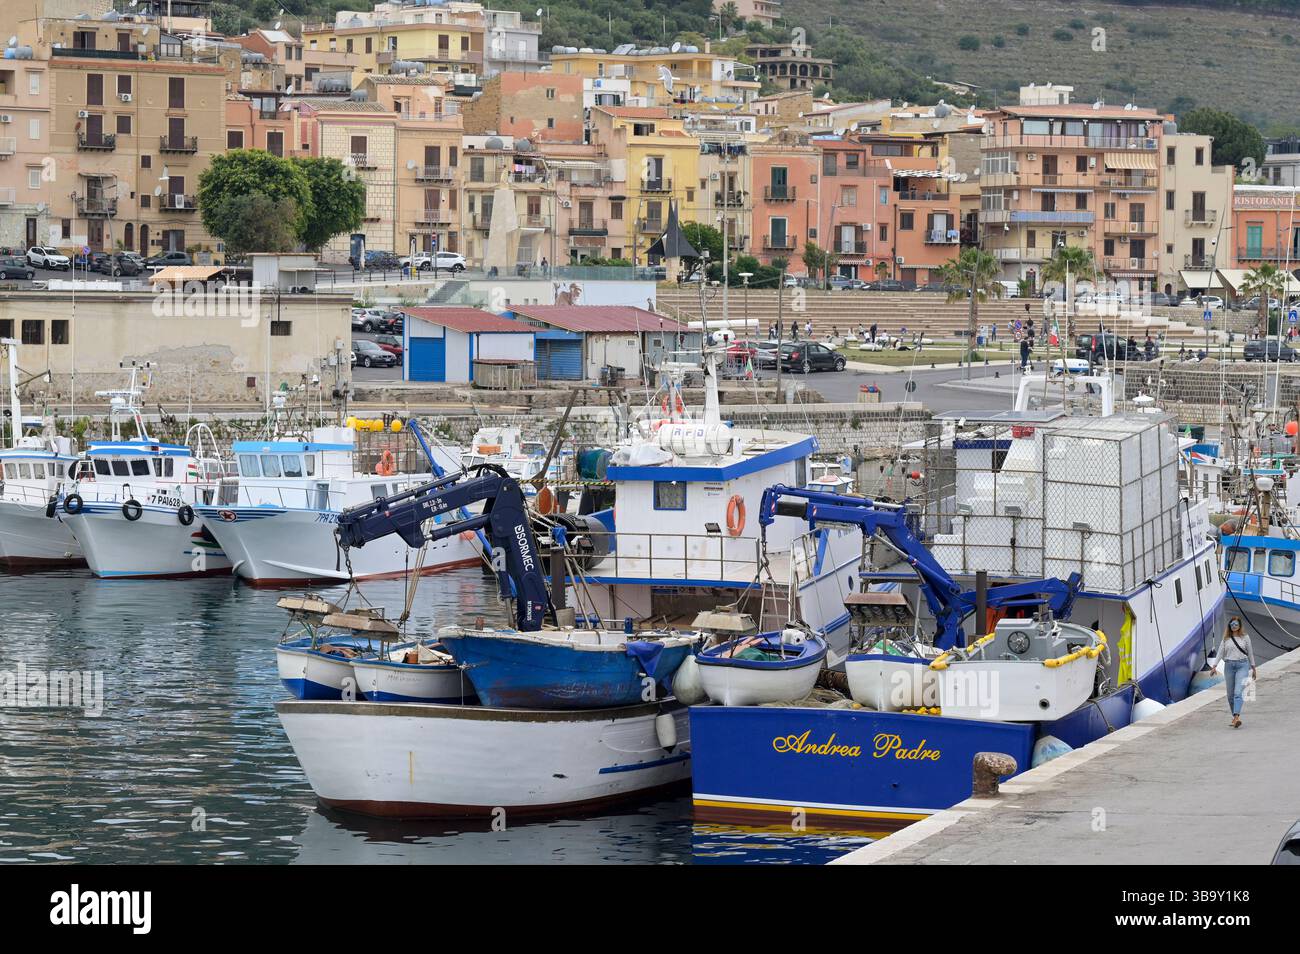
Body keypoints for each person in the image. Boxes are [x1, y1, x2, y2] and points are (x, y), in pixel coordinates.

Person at [1214, 616, 1258, 728]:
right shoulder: (1226, 639)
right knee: (1230, 695)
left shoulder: (1245, 638)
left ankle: (1237, 716)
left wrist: (1253, 667)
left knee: (1238, 692)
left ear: (1239, 626)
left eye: (1236, 624)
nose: (1234, 626)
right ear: (1230, 625)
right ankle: (1234, 717)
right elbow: (1220, 653)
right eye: (1232, 624)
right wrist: (1214, 666)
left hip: (1242, 665)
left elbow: (1250, 653)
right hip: (1228, 666)